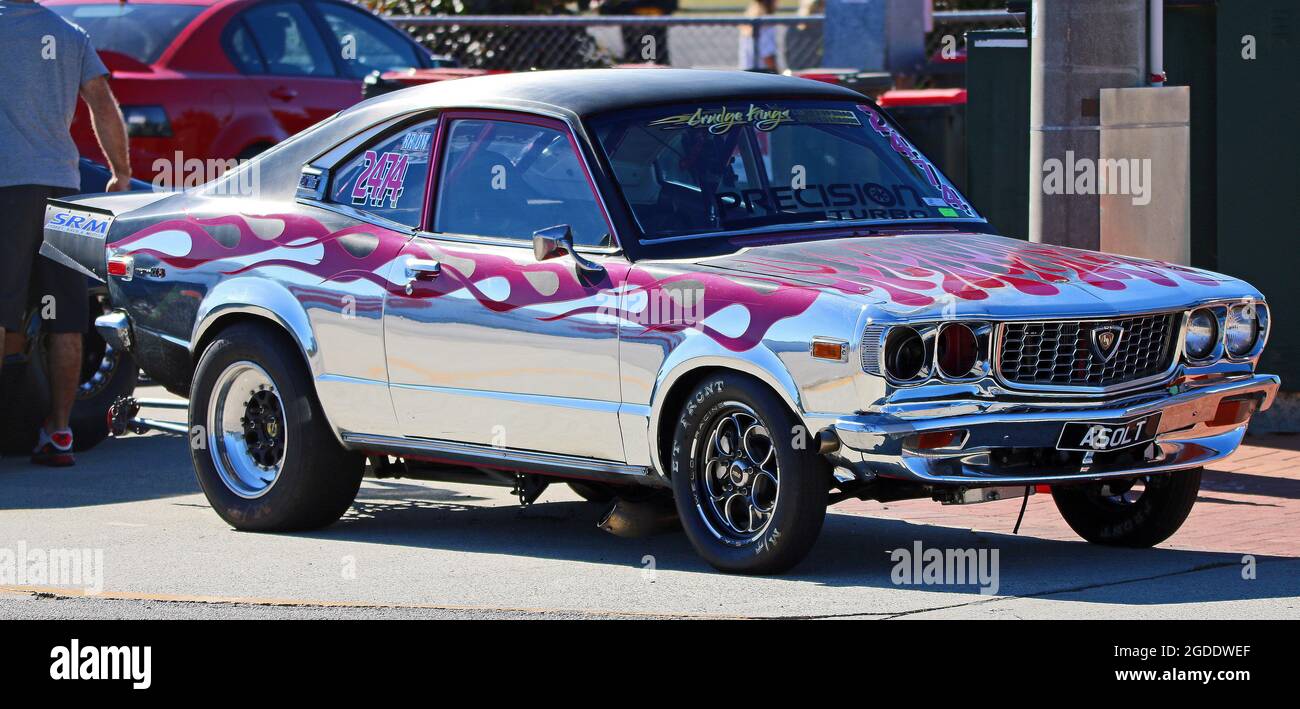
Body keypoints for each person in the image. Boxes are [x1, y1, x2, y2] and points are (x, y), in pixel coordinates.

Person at [0, 0, 131, 466]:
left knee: (3, 314)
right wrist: (120, 172)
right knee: (67, 319)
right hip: (66, 191)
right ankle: (59, 431)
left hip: (7, 186)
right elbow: (102, 102)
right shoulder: (69, 34)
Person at [739, 0, 779, 72]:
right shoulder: (766, 22)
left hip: (746, 70)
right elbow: (767, 55)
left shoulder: (750, 19)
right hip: (762, 71)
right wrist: (777, 72)